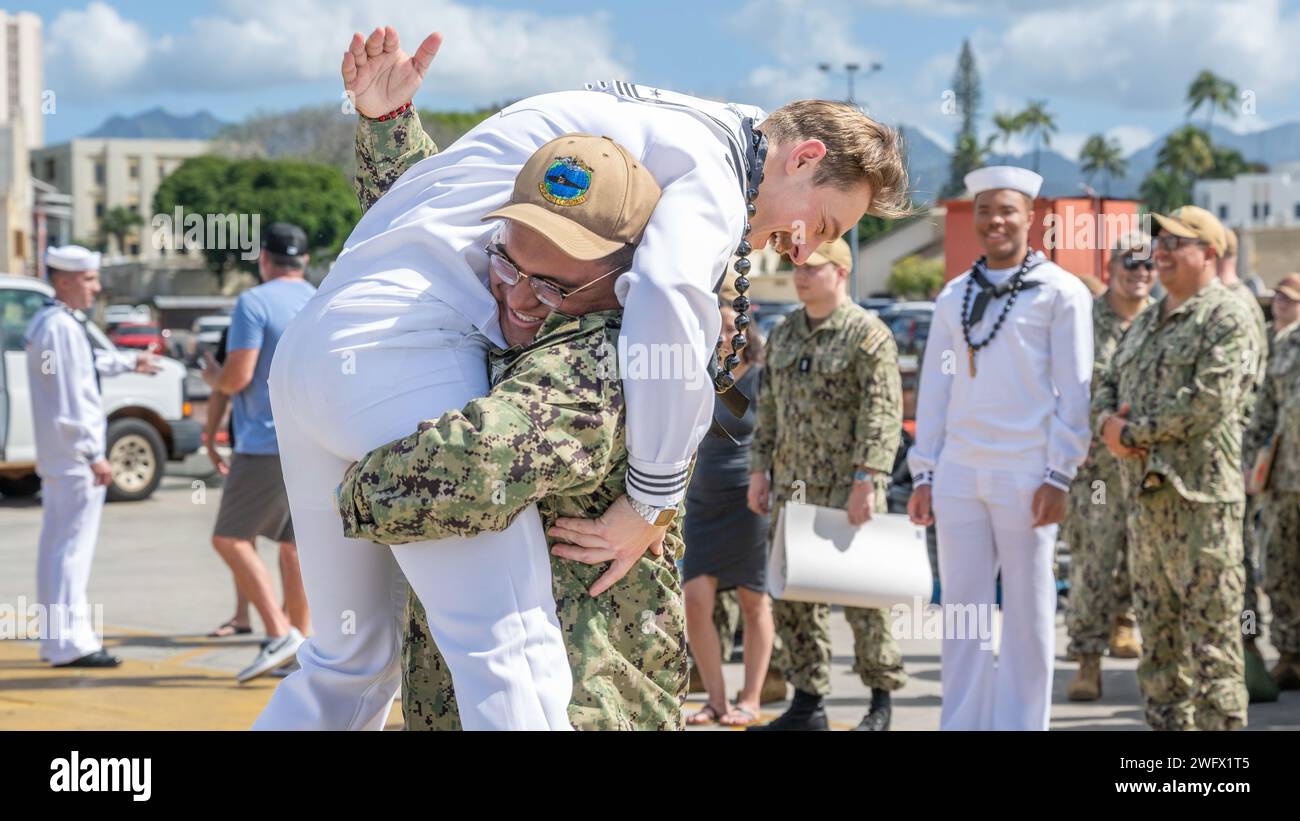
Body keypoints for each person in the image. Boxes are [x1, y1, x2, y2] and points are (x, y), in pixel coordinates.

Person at [256, 25, 909, 731]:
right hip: (401, 355)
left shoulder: (645, 125)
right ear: (804, 157)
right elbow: (665, 291)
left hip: (313, 351)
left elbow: (440, 219)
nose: (808, 242)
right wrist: (650, 497)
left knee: (348, 662)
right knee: (509, 651)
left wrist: (387, 125)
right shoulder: (713, 172)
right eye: (826, 218)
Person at [335, 133, 688, 730]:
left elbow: (475, 466)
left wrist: (346, 488)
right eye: (508, 263)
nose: (520, 297)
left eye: (553, 286)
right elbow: (431, 237)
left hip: (581, 702)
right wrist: (388, 124)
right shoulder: (534, 317)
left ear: (626, 278)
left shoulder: (595, 358)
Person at [908, 166, 1093, 731]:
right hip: (960, 474)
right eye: (986, 209)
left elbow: (1075, 391)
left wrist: (1061, 474)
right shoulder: (953, 295)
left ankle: (1019, 724)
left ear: (1030, 218)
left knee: (1029, 614)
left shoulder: (1061, 292)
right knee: (963, 613)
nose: (995, 220)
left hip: (1028, 475)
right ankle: (961, 723)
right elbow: (934, 390)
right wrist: (924, 473)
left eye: (1007, 209)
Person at [1093, 205, 1254, 730]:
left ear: (1208, 253)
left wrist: (1131, 434)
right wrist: (1105, 426)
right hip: (1146, 509)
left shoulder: (1226, 315)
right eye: (1158, 241)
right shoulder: (1148, 321)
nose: (1159, 251)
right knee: (1160, 652)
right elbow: (1110, 381)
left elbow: (1209, 400)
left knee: (1212, 650)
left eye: (1175, 243)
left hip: (1200, 509)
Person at [747, 237, 906, 732]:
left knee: (865, 598)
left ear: (840, 272)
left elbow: (882, 414)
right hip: (793, 486)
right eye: (797, 267)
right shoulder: (786, 332)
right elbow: (769, 406)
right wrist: (759, 469)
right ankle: (808, 700)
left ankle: (880, 700)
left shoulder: (868, 334)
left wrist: (868, 478)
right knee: (795, 596)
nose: (801, 275)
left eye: (813, 267)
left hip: (848, 486)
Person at [24, 245, 159, 668]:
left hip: (62, 459)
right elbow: (69, 403)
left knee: (57, 548)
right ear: (64, 281)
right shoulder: (60, 327)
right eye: (88, 280)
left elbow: (87, 365)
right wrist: (94, 455)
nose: (96, 288)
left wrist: (130, 361)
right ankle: (71, 644)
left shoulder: (52, 323)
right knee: (71, 552)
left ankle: (57, 640)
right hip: (75, 460)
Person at [200, 223, 315, 682]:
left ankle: (278, 631)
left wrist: (213, 376)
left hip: (263, 442)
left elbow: (237, 378)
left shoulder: (254, 301)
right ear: (304, 261)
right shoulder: (319, 297)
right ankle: (301, 644)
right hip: (309, 441)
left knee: (228, 538)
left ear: (264, 259)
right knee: (293, 547)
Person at [1064, 231, 1153, 701]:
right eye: (1130, 263)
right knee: (1092, 563)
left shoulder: (1161, 321)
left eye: (1147, 265)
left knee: (1142, 561)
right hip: (1094, 469)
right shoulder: (1083, 320)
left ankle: (1127, 622)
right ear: (1111, 267)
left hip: (1147, 469)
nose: (1139, 273)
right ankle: (1087, 660)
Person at [683, 299, 772, 727]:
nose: (721, 338)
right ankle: (716, 700)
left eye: (728, 329)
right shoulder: (696, 374)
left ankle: (750, 698)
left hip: (749, 498)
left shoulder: (761, 374)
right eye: (714, 330)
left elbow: (778, 431)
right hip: (701, 501)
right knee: (695, 601)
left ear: (744, 330)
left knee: (753, 600)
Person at [1244, 272, 1300, 689]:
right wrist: (1249, 464)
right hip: (1284, 479)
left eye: (1291, 299)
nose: (1282, 304)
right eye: (1278, 297)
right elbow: (1265, 411)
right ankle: (1289, 652)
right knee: (1279, 568)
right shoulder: (1276, 345)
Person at [1217, 228, 1270, 664]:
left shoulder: (1236, 306)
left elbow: (1244, 391)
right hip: (1225, 458)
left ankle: (1248, 644)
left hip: (1235, 456)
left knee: (1239, 559)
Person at [203, 326, 252, 639]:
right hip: (247, 445)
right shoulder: (237, 329)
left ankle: (290, 626)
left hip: (273, 446)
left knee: (234, 535)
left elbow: (221, 383)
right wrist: (209, 438)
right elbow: (221, 388)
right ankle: (244, 616)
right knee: (241, 535)